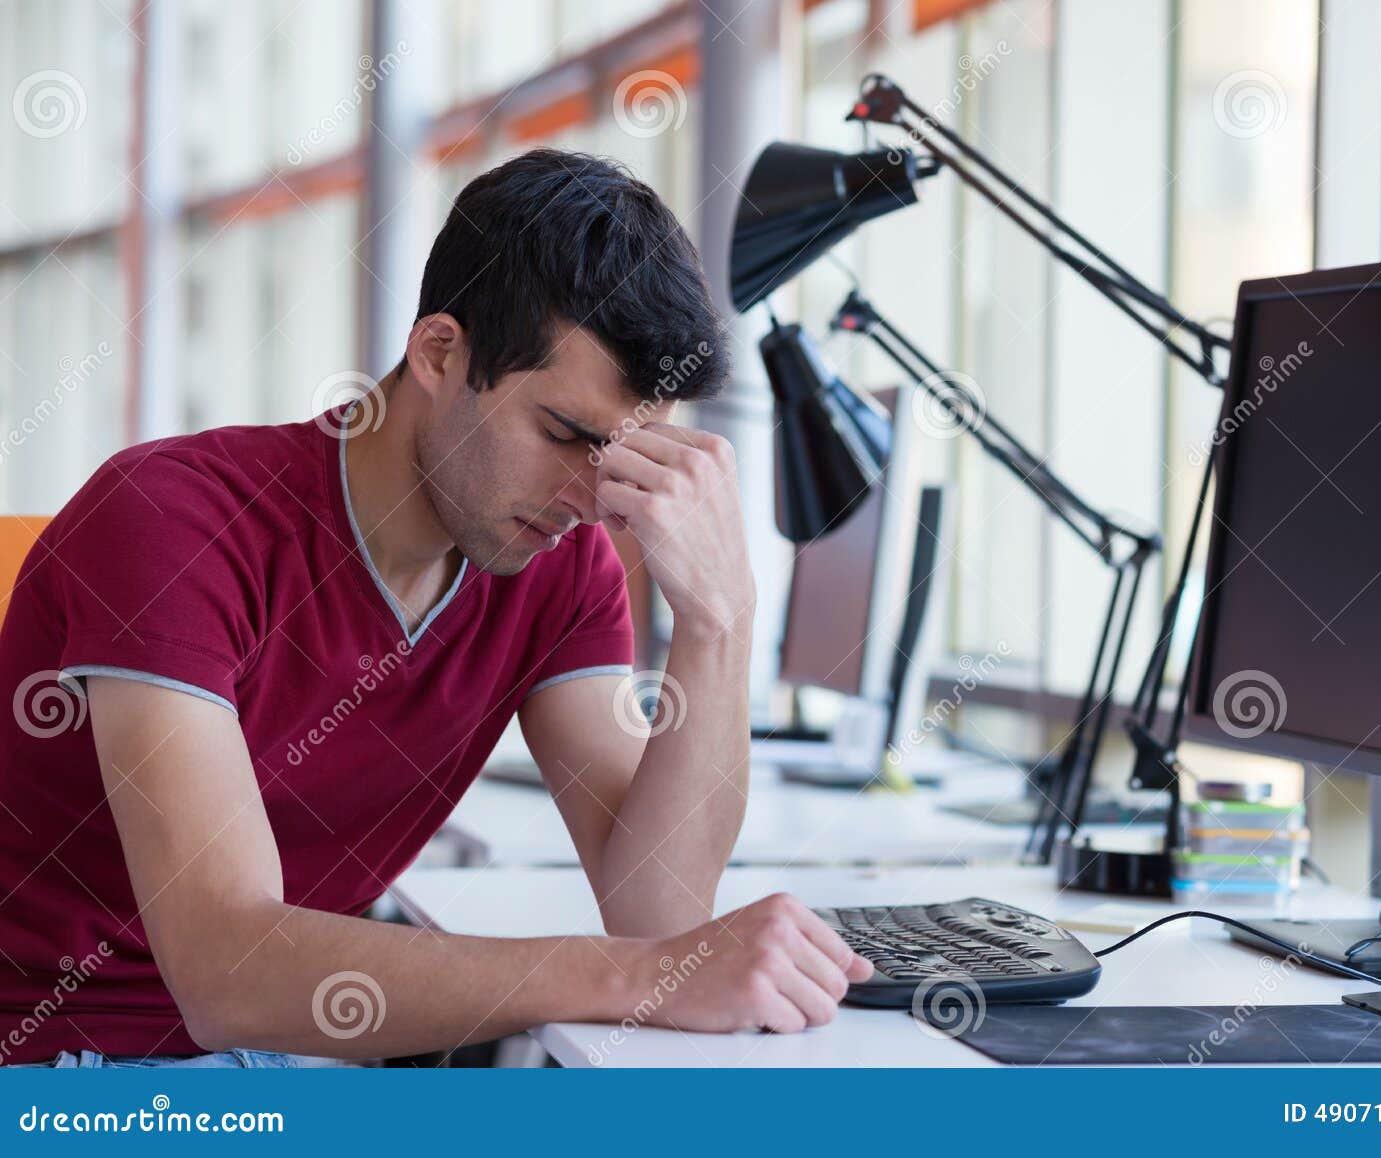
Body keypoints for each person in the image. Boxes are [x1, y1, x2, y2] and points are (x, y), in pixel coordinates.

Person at [0, 148, 870, 1068]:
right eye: (565, 435)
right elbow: (228, 970)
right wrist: (629, 975)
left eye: (623, 455)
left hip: (291, 1060)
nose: (590, 497)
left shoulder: (558, 567)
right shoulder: (173, 521)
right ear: (439, 352)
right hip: (73, 1071)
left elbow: (658, 907)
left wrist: (721, 619)